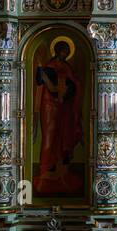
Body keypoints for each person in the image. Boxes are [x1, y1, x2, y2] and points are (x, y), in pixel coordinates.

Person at [33, 38, 84, 195]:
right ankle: (45, 172)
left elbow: (74, 84)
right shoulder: (49, 66)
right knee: (49, 137)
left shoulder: (66, 67)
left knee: (62, 136)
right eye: (63, 51)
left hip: (64, 108)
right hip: (49, 106)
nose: (65, 54)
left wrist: (70, 89)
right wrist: (57, 88)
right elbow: (46, 84)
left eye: (67, 52)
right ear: (57, 51)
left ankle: (61, 172)